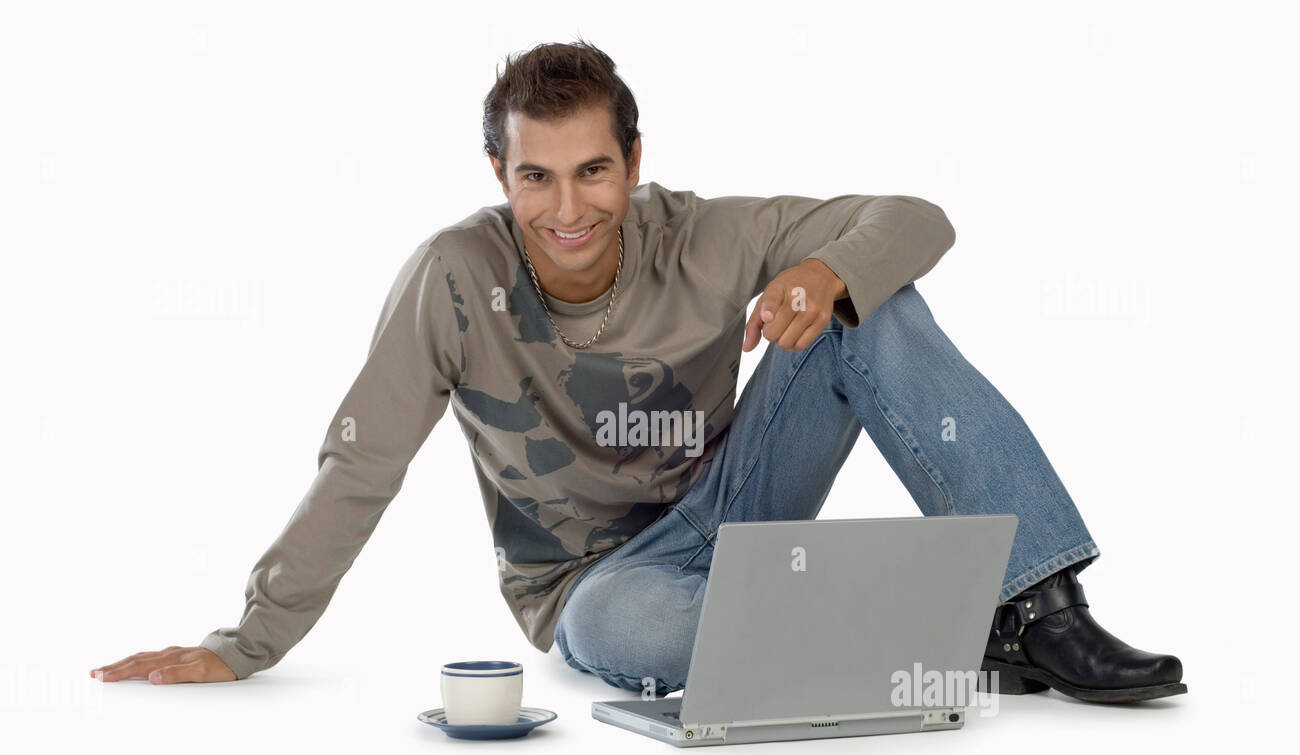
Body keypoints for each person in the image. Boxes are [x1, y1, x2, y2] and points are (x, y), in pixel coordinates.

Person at [90, 39, 1185, 704]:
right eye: (536, 177)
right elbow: (361, 462)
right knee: (644, 634)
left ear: (634, 161)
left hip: (737, 503)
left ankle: (1037, 604)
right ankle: (924, 625)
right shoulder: (454, 277)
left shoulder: (701, 232)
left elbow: (916, 215)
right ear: (498, 172)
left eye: (593, 171)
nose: (568, 209)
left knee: (874, 296)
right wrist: (249, 640)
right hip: (596, 584)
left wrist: (826, 271)